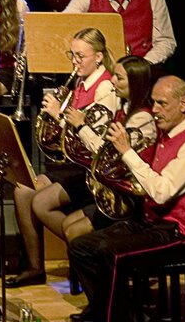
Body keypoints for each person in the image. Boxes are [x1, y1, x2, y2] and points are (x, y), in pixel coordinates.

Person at [69, 75, 185, 322]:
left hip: (180, 232)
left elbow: (161, 192)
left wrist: (127, 152)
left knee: (112, 253)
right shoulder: (166, 134)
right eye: (153, 103)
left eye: (162, 104)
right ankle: (132, 320)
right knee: (81, 247)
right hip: (152, 222)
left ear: (183, 104)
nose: (155, 110)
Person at [8, 39, 142, 287]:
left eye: (81, 56)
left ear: (98, 57)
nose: (74, 62)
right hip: (74, 161)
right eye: (72, 55)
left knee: (40, 202)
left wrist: (59, 116)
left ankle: (83, 256)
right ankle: (36, 267)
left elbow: (92, 137)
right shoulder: (80, 83)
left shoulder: (105, 88)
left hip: (91, 168)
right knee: (23, 190)